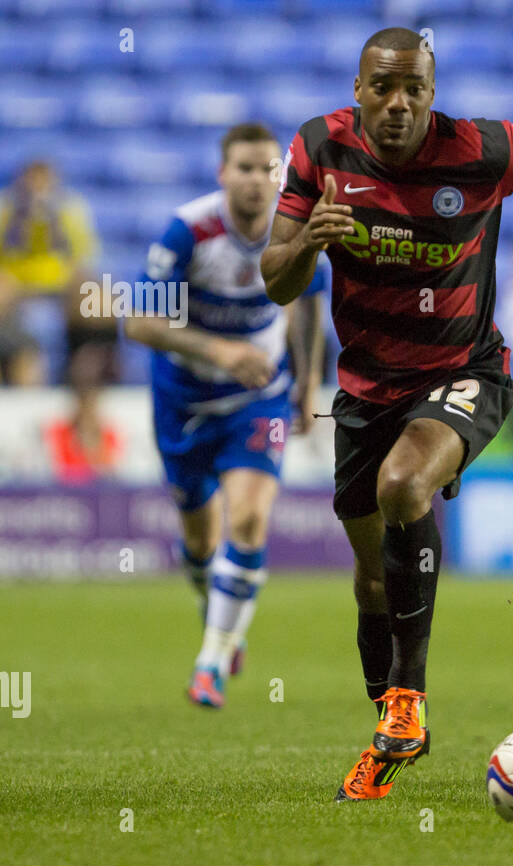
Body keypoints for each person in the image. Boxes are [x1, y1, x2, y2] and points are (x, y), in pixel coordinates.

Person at [261, 27, 513, 802]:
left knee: (405, 487)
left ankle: (407, 705)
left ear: (432, 93)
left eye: (415, 90)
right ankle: (392, 729)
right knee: (371, 583)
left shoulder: (485, 150)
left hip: (465, 369)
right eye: (383, 88)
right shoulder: (317, 149)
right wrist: (308, 243)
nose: (398, 103)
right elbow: (274, 278)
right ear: (359, 87)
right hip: (366, 389)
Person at [123, 122, 327, 710]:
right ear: (222, 173)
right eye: (244, 168)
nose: (257, 180)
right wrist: (220, 351)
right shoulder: (190, 231)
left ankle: (211, 660)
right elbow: (139, 323)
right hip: (184, 401)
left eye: (268, 168)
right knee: (198, 539)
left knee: (249, 522)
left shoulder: (295, 228)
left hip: (258, 398)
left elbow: (309, 298)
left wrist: (308, 379)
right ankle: (214, 607)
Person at [0, 160, 110, 385]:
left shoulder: (69, 208)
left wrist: (54, 222)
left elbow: (84, 254)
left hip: (60, 282)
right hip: (16, 282)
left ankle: (96, 369)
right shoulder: (5, 207)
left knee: (98, 296)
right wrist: (19, 222)